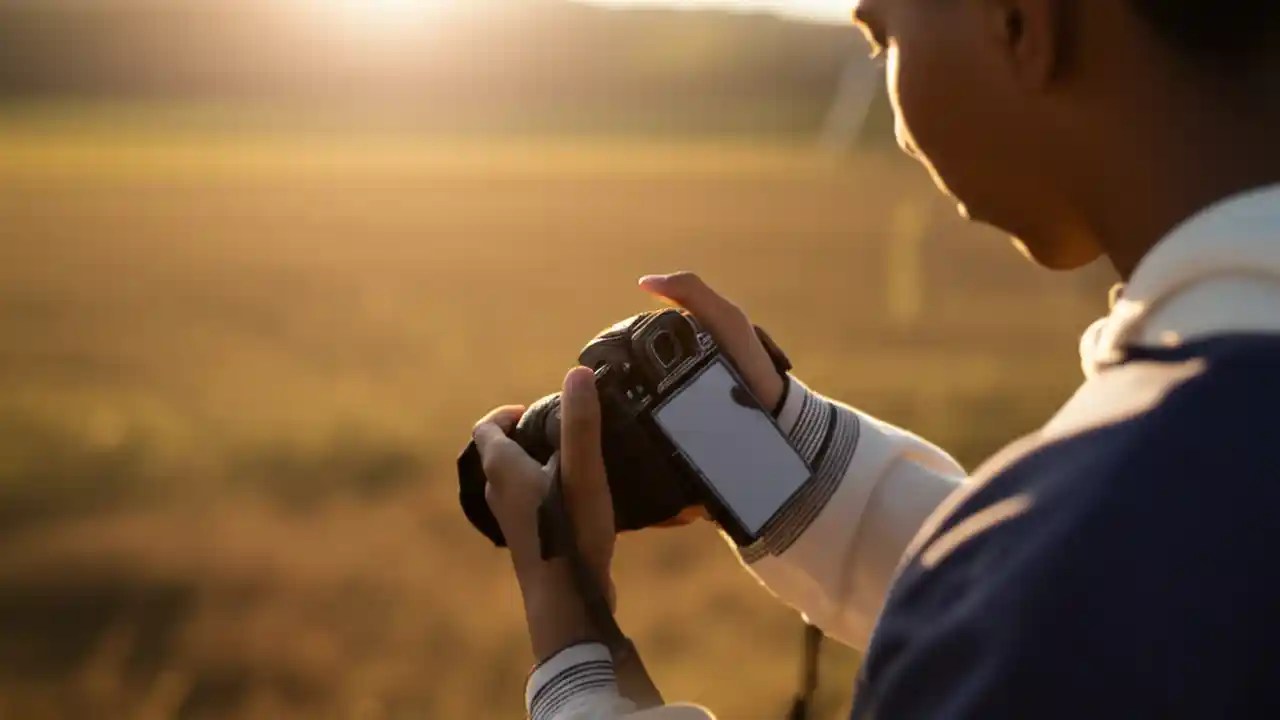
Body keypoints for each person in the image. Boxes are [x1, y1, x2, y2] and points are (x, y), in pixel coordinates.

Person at [471, 0, 1280, 717]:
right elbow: (1066, 585)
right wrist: (791, 458)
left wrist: (578, 652)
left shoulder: (1053, 599)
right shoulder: (1174, 494)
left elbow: (1037, 600)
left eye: (881, 37)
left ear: (1021, 22)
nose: (894, 119)